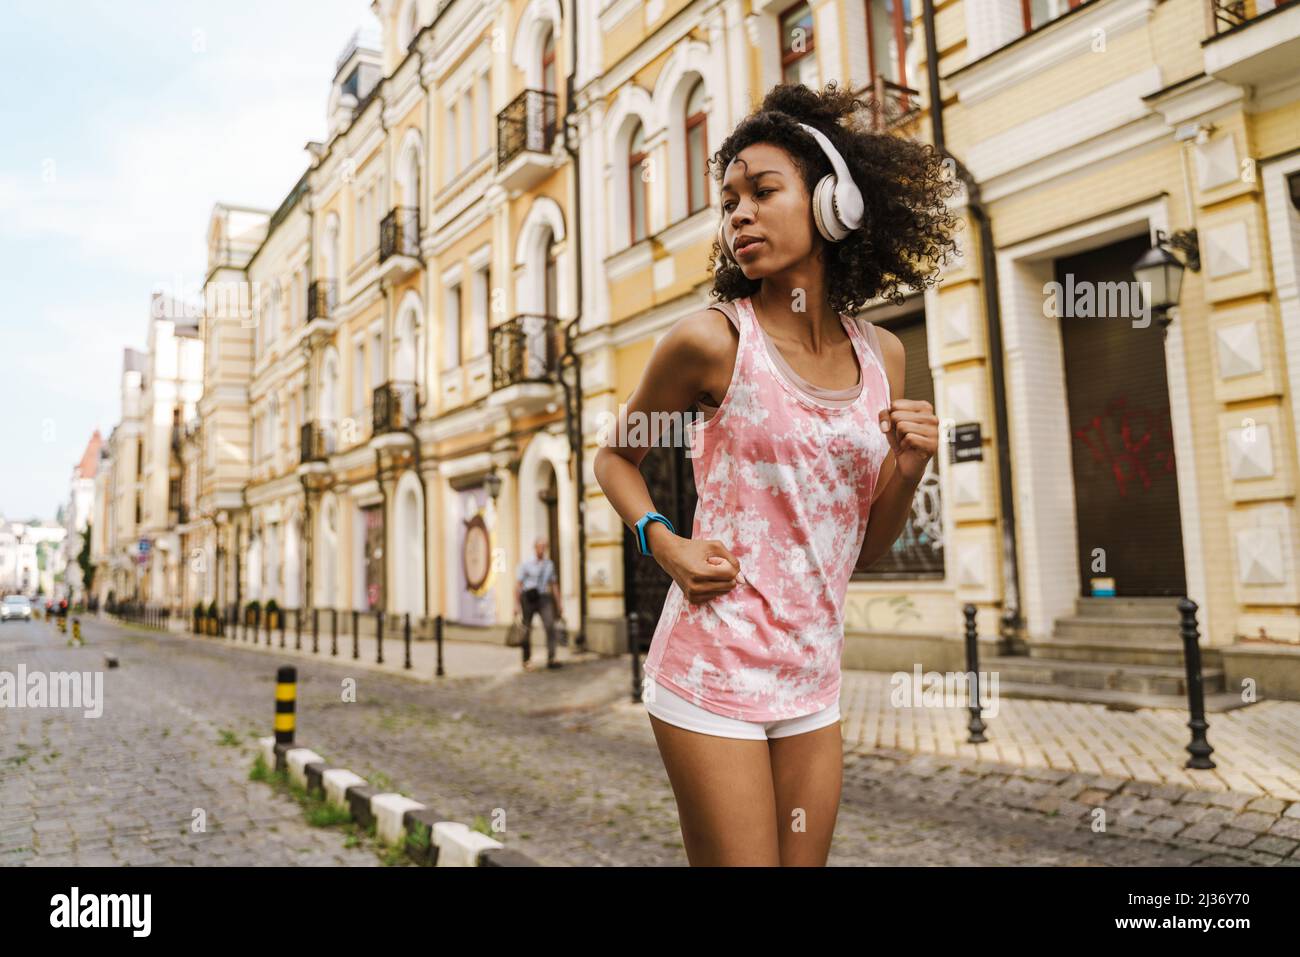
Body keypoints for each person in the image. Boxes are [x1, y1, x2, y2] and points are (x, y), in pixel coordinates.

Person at [593, 82, 956, 866]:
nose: (739, 216)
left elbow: (865, 546)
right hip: (710, 669)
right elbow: (615, 456)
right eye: (729, 203)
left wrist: (910, 467)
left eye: (762, 191)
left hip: (812, 679)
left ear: (833, 205)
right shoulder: (712, 342)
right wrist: (665, 542)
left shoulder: (881, 355)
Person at [515, 536, 563, 671]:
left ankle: (552, 658)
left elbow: (554, 585)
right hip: (528, 598)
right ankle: (526, 660)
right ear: (535, 548)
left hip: (543, 598)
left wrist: (559, 603)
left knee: (550, 626)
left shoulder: (549, 565)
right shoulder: (526, 564)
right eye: (539, 546)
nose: (542, 549)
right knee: (526, 628)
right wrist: (516, 604)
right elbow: (518, 585)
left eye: (544, 547)